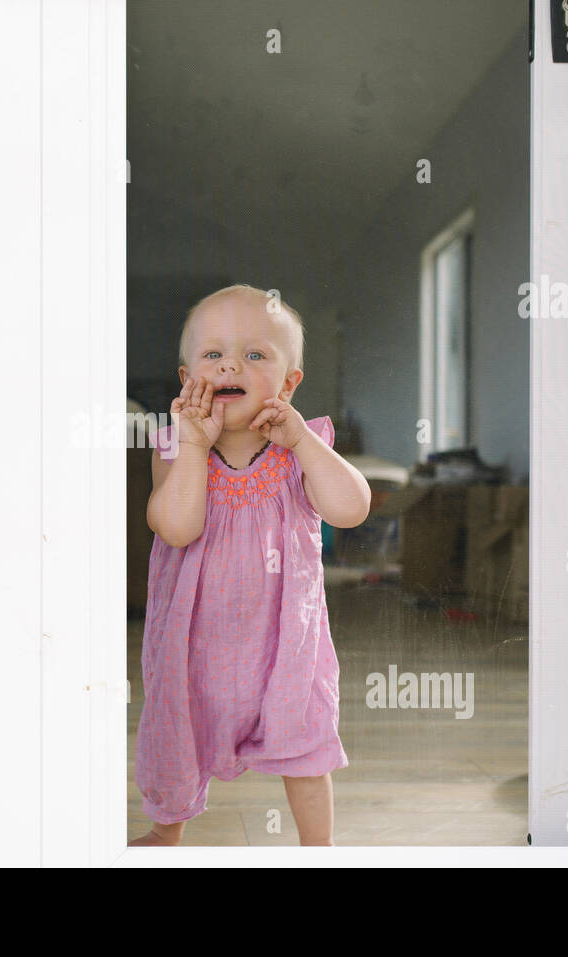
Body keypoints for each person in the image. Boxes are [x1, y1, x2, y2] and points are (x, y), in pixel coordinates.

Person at [131, 284, 372, 846]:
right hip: (193, 647)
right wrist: (193, 446)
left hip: (286, 644)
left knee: (306, 738)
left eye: (255, 355)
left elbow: (351, 508)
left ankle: (319, 846)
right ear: (186, 377)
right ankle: (165, 835)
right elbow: (175, 526)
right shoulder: (174, 447)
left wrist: (303, 445)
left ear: (290, 384)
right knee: (176, 736)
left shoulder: (301, 446)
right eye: (213, 356)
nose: (231, 364)